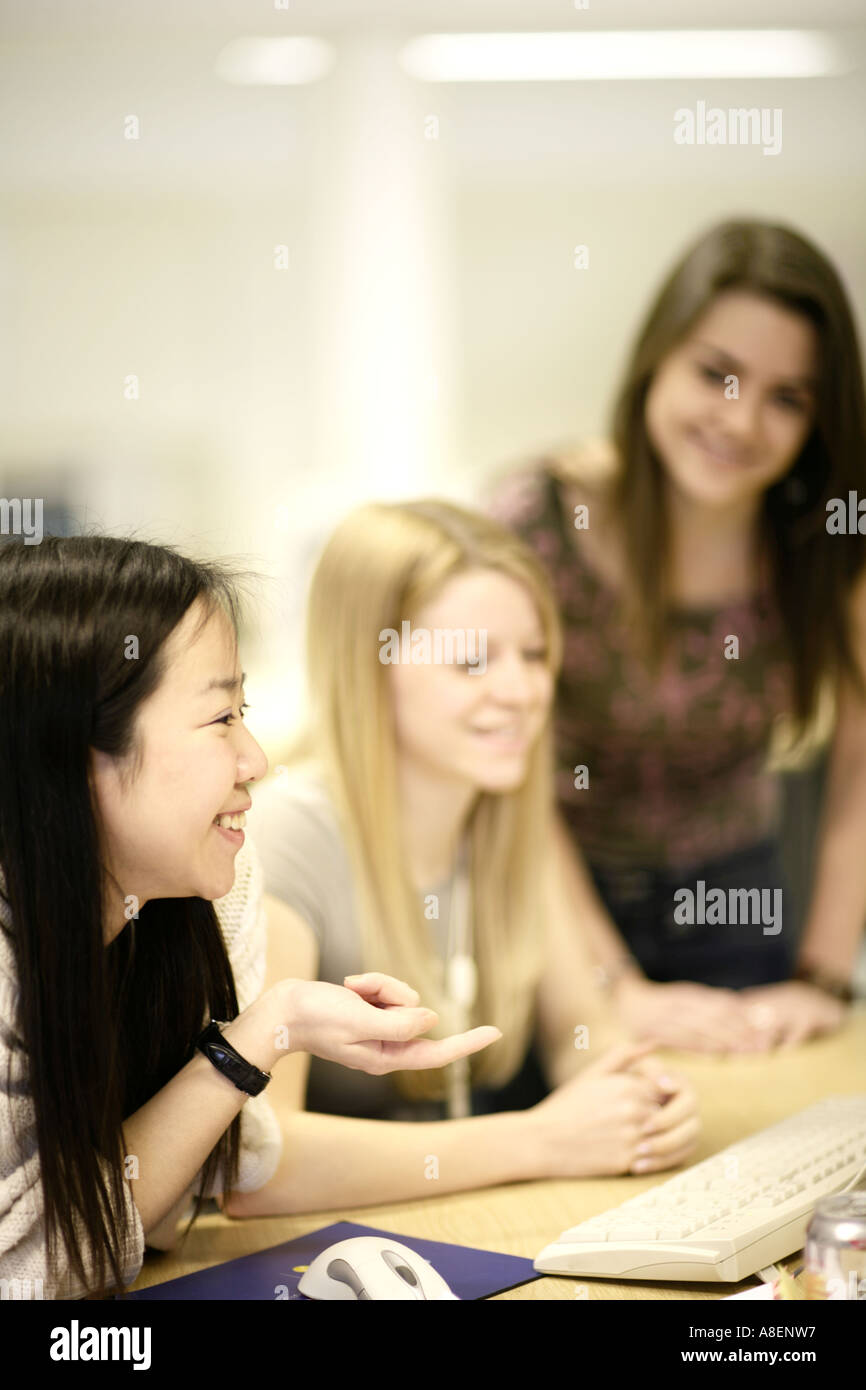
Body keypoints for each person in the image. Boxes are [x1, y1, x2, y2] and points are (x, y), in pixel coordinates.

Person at [0, 534, 498, 1300]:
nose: (256, 757)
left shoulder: (211, 881)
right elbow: (31, 1274)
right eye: (220, 718)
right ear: (71, 753)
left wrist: (274, 1023)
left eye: (246, 711)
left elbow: (167, 1217)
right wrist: (252, 1043)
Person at [222, 499, 700, 1221]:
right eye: (474, 660)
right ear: (370, 665)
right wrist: (543, 1140)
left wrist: (636, 1094)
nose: (522, 691)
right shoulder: (282, 835)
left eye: (534, 655)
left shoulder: (506, 810)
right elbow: (257, 1164)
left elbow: (585, 1032)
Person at [487, 217, 866, 1053]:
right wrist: (613, 984)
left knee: (756, 1161)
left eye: (788, 398)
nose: (742, 423)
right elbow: (510, 774)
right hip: (551, 903)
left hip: (736, 904)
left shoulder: (831, 544)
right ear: (657, 357)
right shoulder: (538, 521)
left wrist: (824, 976)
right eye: (717, 375)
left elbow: (859, 769)